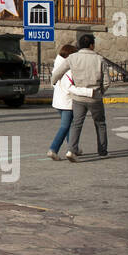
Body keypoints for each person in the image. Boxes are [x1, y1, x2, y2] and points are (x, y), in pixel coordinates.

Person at [53, 31, 108, 161]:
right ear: (91, 45)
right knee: (100, 124)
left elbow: (58, 73)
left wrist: (53, 82)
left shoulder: (72, 58)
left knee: (77, 124)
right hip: (94, 96)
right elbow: (107, 82)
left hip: (78, 98)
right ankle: (102, 150)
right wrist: (100, 92)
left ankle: (71, 150)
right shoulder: (99, 59)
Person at [47, 43, 77, 160]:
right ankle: (53, 149)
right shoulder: (68, 68)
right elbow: (70, 85)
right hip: (67, 102)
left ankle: (73, 148)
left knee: (69, 125)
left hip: (58, 101)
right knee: (65, 126)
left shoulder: (57, 65)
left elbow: (53, 82)